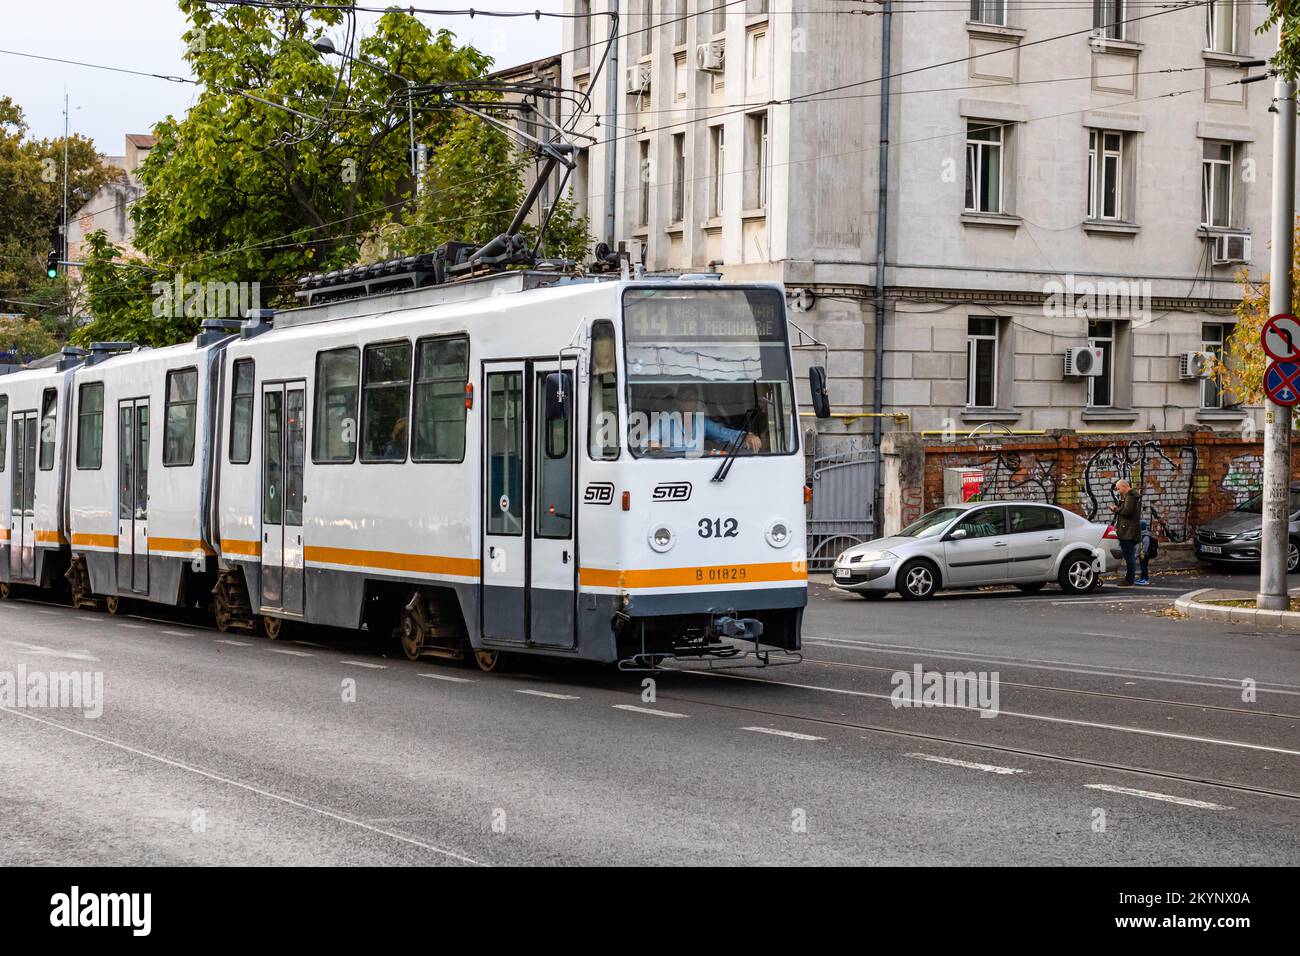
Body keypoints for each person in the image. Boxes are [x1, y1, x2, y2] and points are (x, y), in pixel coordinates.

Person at [644, 390, 762, 456]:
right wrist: (652, 445)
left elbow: (723, 434)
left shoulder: (702, 421)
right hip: (671, 469)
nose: (689, 402)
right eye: (685, 398)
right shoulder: (665, 419)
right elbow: (647, 440)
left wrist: (745, 436)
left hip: (699, 468)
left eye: (692, 399)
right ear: (677, 401)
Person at [1111, 478, 1142, 587]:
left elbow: (1127, 511)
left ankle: (1129, 580)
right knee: (1129, 556)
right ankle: (1129, 579)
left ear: (1124, 487)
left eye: (1118, 489)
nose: (1118, 491)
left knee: (1129, 557)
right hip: (1129, 530)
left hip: (1128, 532)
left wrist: (1116, 509)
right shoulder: (1130, 496)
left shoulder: (1130, 496)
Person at [1136, 518, 1157, 586]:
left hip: (1144, 554)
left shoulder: (1145, 536)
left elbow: (1144, 546)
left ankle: (1146, 579)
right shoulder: (1142, 535)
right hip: (1142, 554)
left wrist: (1142, 554)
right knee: (1142, 567)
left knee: (1144, 567)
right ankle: (1142, 578)